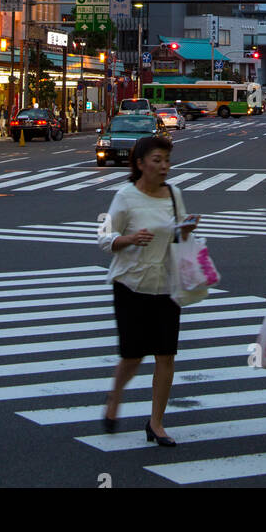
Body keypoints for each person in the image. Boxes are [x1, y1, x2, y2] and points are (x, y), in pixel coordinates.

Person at [100, 134, 199, 442]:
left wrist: (187, 229)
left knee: (166, 355)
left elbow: (179, 233)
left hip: (166, 285)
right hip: (132, 283)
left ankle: (156, 422)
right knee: (132, 355)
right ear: (140, 164)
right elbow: (105, 237)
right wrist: (129, 239)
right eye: (157, 161)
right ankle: (115, 396)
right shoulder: (126, 196)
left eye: (167, 160)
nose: (164, 167)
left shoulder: (174, 194)